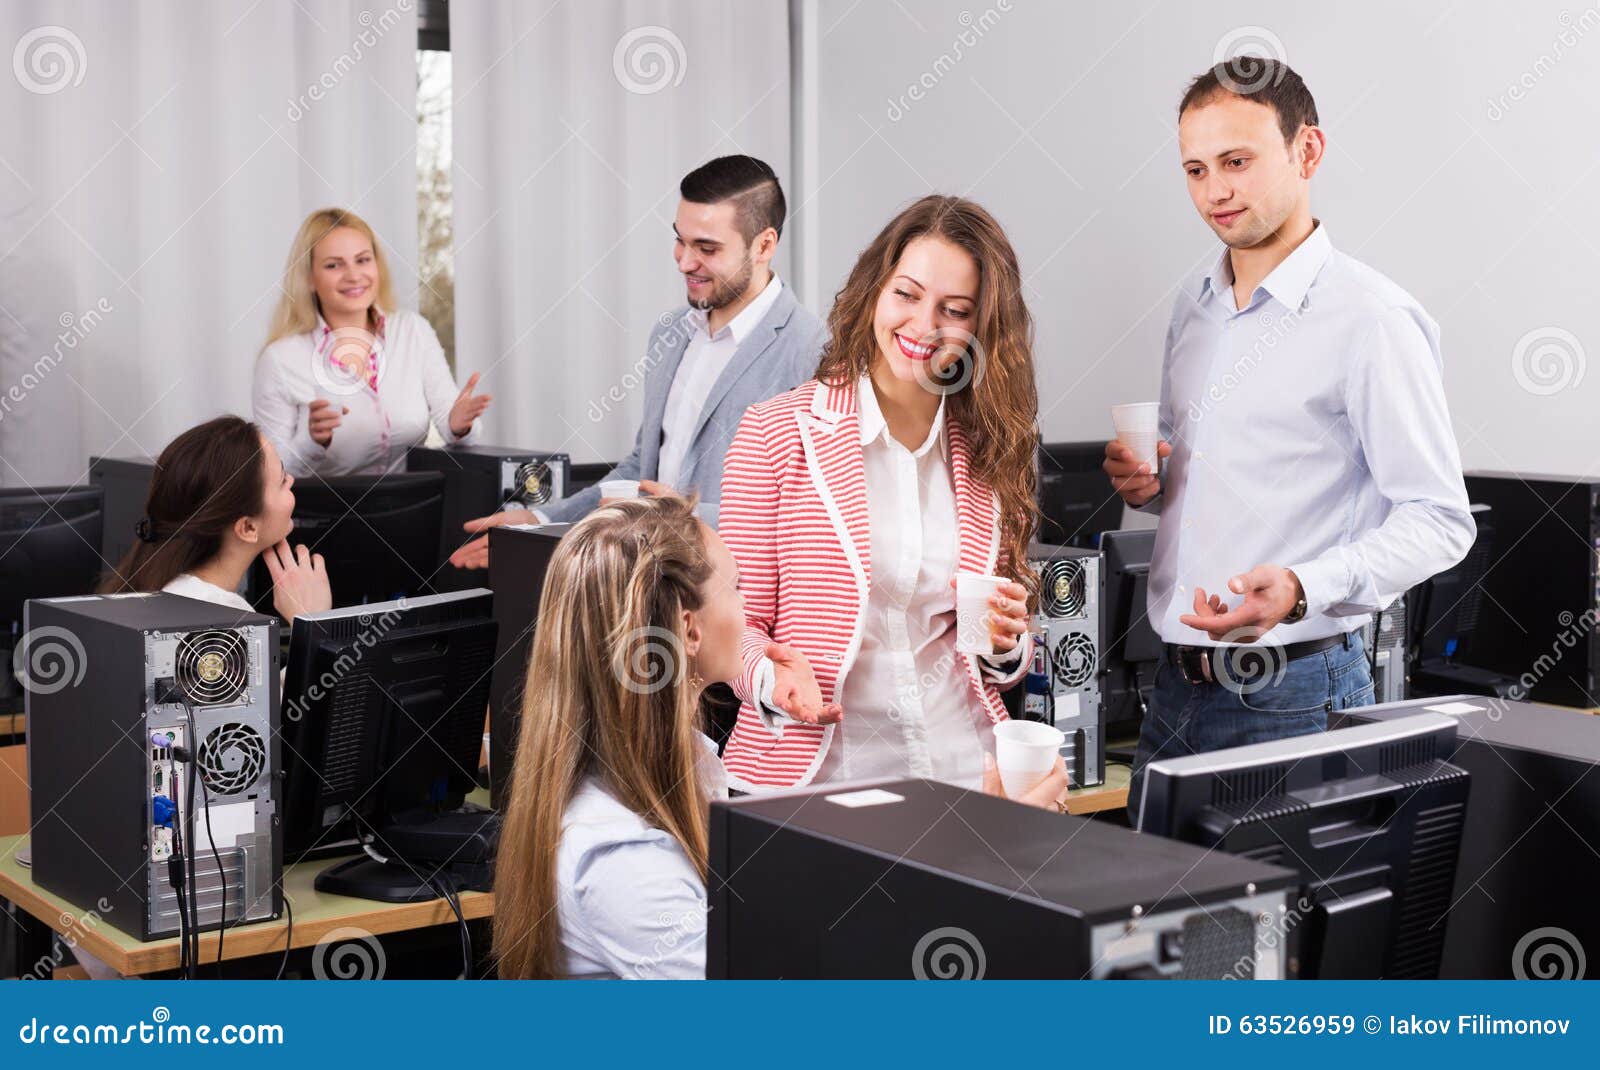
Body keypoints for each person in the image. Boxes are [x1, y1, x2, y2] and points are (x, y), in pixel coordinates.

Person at [1105, 59, 1474, 825]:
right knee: (1148, 935)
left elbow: (1441, 519)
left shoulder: (1371, 319)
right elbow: (1195, 468)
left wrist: (1304, 585)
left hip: (1294, 694)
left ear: (1307, 152)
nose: (1215, 192)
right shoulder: (1194, 305)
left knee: (1273, 943)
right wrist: (1150, 477)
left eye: (1237, 163)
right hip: (1173, 693)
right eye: (1196, 170)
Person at [715, 195, 1070, 803]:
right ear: (875, 291)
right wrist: (774, 681)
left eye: (953, 310)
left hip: (964, 769)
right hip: (820, 780)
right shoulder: (776, 433)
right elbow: (737, 626)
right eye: (906, 295)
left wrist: (1010, 644)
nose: (923, 326)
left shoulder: (992, 449)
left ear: (981, 327)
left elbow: (999, 640)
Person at [449, 155, 824, 571]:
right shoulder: (671, 332)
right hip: (648, 585)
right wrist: (543, 521)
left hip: (737, 602)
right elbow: (641, 468)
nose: (684, 261)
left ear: (764, 246)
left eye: (707, 248)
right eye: (681, 240)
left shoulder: (814, 352)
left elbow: (811, 515)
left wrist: (685, 518)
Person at [252, 207, 491, 478]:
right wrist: (311, 441)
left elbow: (457, 427)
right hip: (323, 516)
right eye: (334, 265)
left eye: (363, 260)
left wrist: (459, 424)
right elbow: (273, 476)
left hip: (411, 508)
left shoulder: (413, 330)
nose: (353, 276)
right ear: (308, 278)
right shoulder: (280, 360)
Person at [99, 415, 332, 622]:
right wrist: (313, 622)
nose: (291, 481)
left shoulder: (173, 592)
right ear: (248, 527)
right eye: (282, 480)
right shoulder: (226, 622)